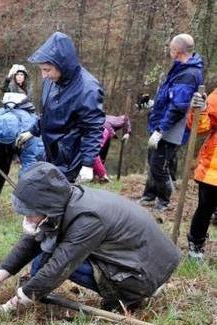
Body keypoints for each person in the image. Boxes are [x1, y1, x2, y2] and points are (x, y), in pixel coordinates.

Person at [0, 162, 180, 314]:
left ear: (47, 207)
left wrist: (8, 307)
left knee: (56, 260)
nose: (27, 218)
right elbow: (31, 241)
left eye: (30, 213)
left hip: (142, 274)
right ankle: (33, 290)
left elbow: (60, 266)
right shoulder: (65, 201)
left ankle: (127, 297)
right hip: (137, 258)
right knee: (45, 254)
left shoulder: (87, 219)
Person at [17, 32, 105, 183]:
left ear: (62, 65)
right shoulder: (51, 81)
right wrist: (32, 131)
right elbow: (48, 113)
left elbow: (93, 129)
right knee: (47, 193)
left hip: (69, 158)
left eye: (47, 70)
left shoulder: (88, 89)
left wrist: (87, 164)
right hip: (50, 150)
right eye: (42, 69)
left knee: (62, 199)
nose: (44, 75)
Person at [139, 34, 205, 212]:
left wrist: (161, 130)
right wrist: (152, 104)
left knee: (159, 165)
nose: (170, 51)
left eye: (171, 48)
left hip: (173, 128)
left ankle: (164, 199)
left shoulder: (189, 74)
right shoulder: (180, 68)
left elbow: (178, 107)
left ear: (177, 51)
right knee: (152, 159)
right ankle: (149, 195)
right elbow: (168, 97)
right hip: (162, 121)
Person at [0, 93, 46, 216]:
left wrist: (24, 180)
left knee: (28, 175)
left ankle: (29, 206)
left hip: (22, 143)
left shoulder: (30, 129)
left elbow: (29, 160)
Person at [186, 89, 216, 259]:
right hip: (214, 168)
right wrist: (201, 109)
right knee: (205, 208)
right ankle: (195, 246)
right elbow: (200, 126)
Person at [91, 114, 131, 182]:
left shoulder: (114, 120)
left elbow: (126, 118)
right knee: (95, 153)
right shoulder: (114, 120)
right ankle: (101, 175)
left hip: (102, 130)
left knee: (99, 153)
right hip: (102, 130)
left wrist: (127, 133)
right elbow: (125, 117)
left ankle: (98, 176)